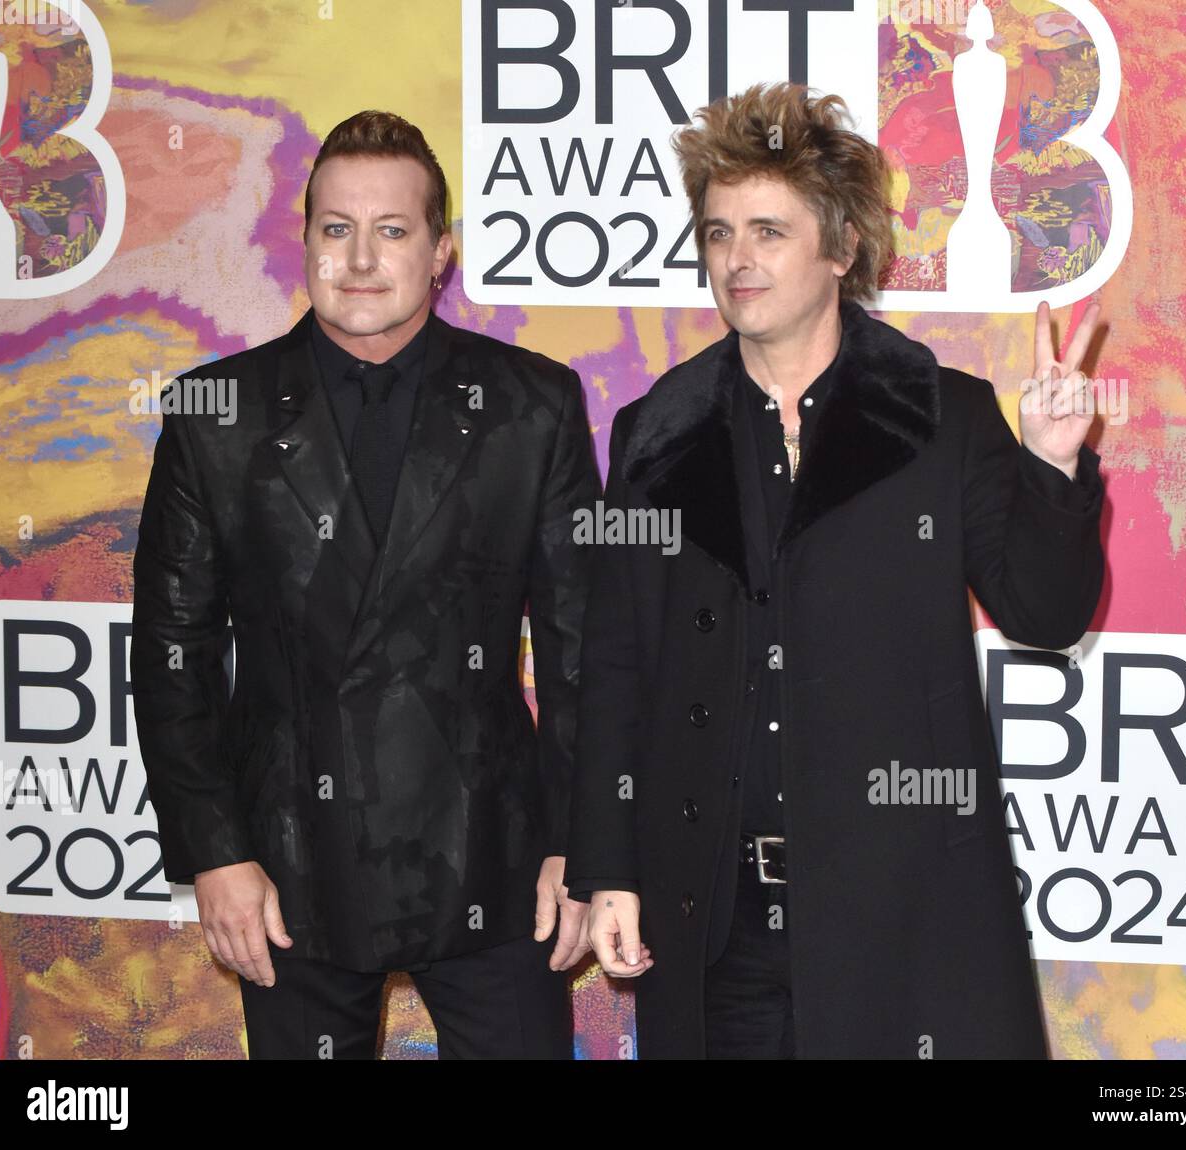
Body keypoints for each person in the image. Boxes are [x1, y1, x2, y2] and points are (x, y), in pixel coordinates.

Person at [563, 82, 1106, 1059]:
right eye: (719, 231)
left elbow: (1047, 613)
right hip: (710, 915)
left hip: (899, 912)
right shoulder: (655, 431)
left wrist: (1055, 462)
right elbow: (614, 664)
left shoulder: (941, 416)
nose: (737, 259)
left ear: (841, 249)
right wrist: (610, 869)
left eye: (768, 231)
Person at [131, 111, 600, 1059]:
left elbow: (582, 647)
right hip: (291, 864)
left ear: (441, 253)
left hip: (495, 861)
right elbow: (171, 656)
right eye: (335, 229)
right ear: (303, 243)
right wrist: (217, 851)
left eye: (392, 231)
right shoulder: (215, 416)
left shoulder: (530, 405)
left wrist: (581, 846)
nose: (359, 258)